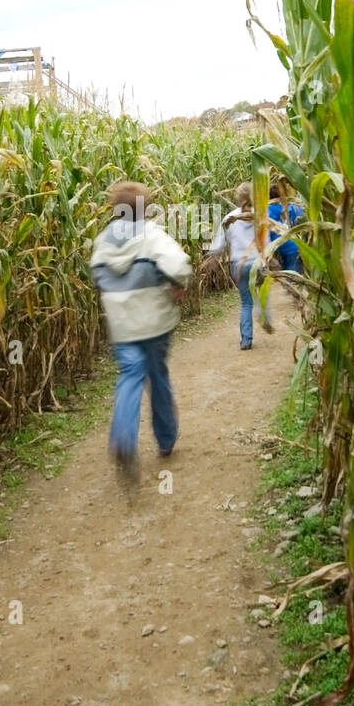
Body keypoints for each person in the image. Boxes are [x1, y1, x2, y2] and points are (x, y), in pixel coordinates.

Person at [90, 181, 193, 485]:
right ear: (144, 208)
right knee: (158, 377)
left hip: (122, 325)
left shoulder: (103, 241)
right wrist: (178, 284)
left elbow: (97, 275)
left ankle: (123, 438)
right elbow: (178, 264)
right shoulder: (152, 235)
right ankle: (165, 439)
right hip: (155, 322)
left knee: (130, 375)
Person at [207, 182, 272, 350]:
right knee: (261, 295)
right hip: (258, 262)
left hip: (238, 264)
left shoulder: (229, 218)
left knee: (245, 303)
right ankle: (264, 316)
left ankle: (246, 340)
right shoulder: (261, 216)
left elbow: (218, 246)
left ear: (238, 197)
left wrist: (210, 256)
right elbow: (268, 242)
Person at [267, 181, 304, 274]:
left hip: (282, 247)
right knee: (295, 277)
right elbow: (303, 215)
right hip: (297, 246)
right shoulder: (293, 207)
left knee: (289, 279)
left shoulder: (267, 210)